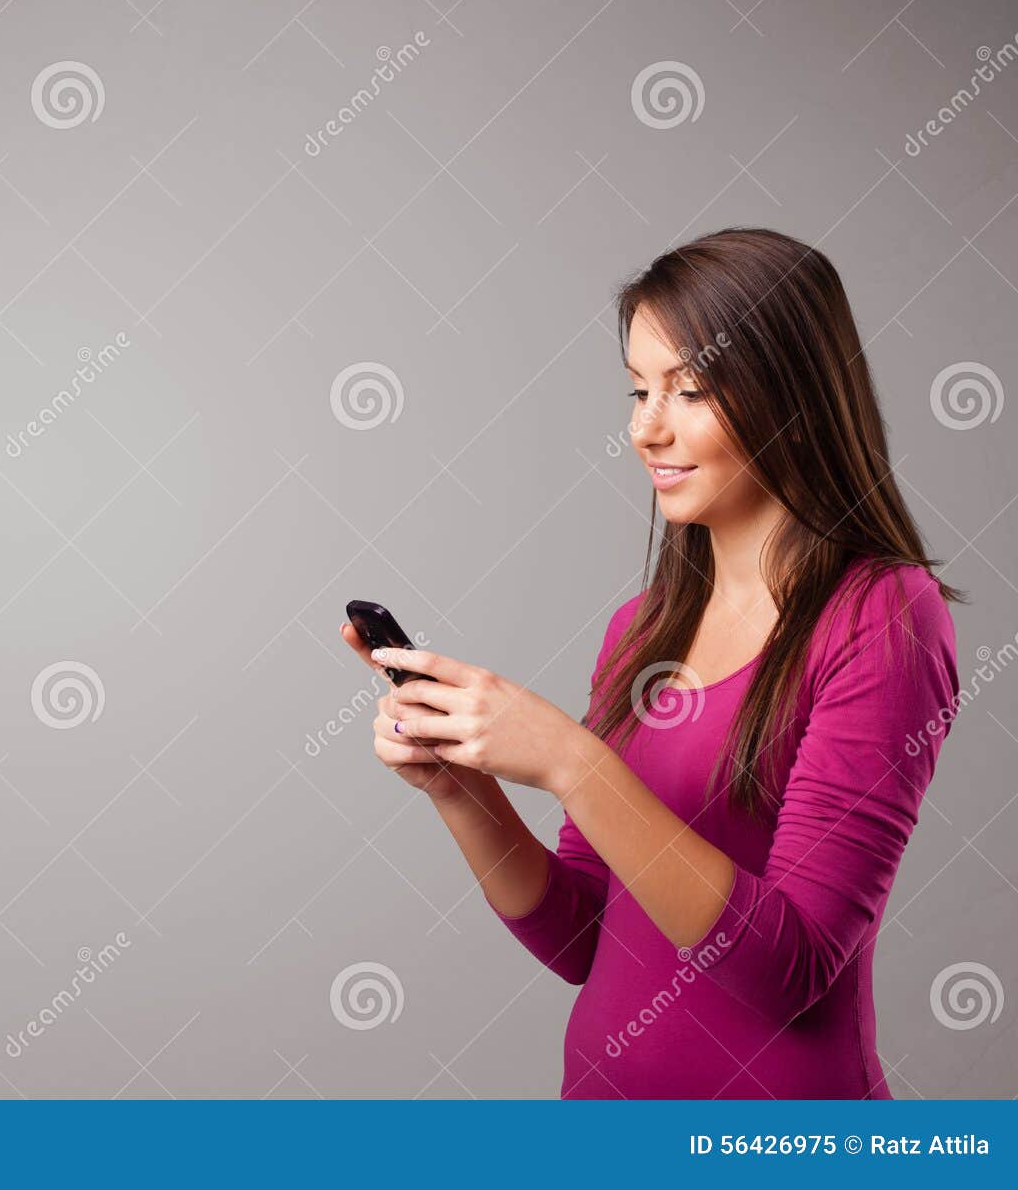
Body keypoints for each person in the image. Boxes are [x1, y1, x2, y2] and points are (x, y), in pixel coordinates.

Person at [341, 226, 964, 1099]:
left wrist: (570, 761)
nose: (643, 429)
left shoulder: (884, 618)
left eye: (691, 390)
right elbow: (581, 940)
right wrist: (463, 788)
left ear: (794, 394)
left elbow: (788, 972)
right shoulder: (642, 632)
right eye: (638, 390)